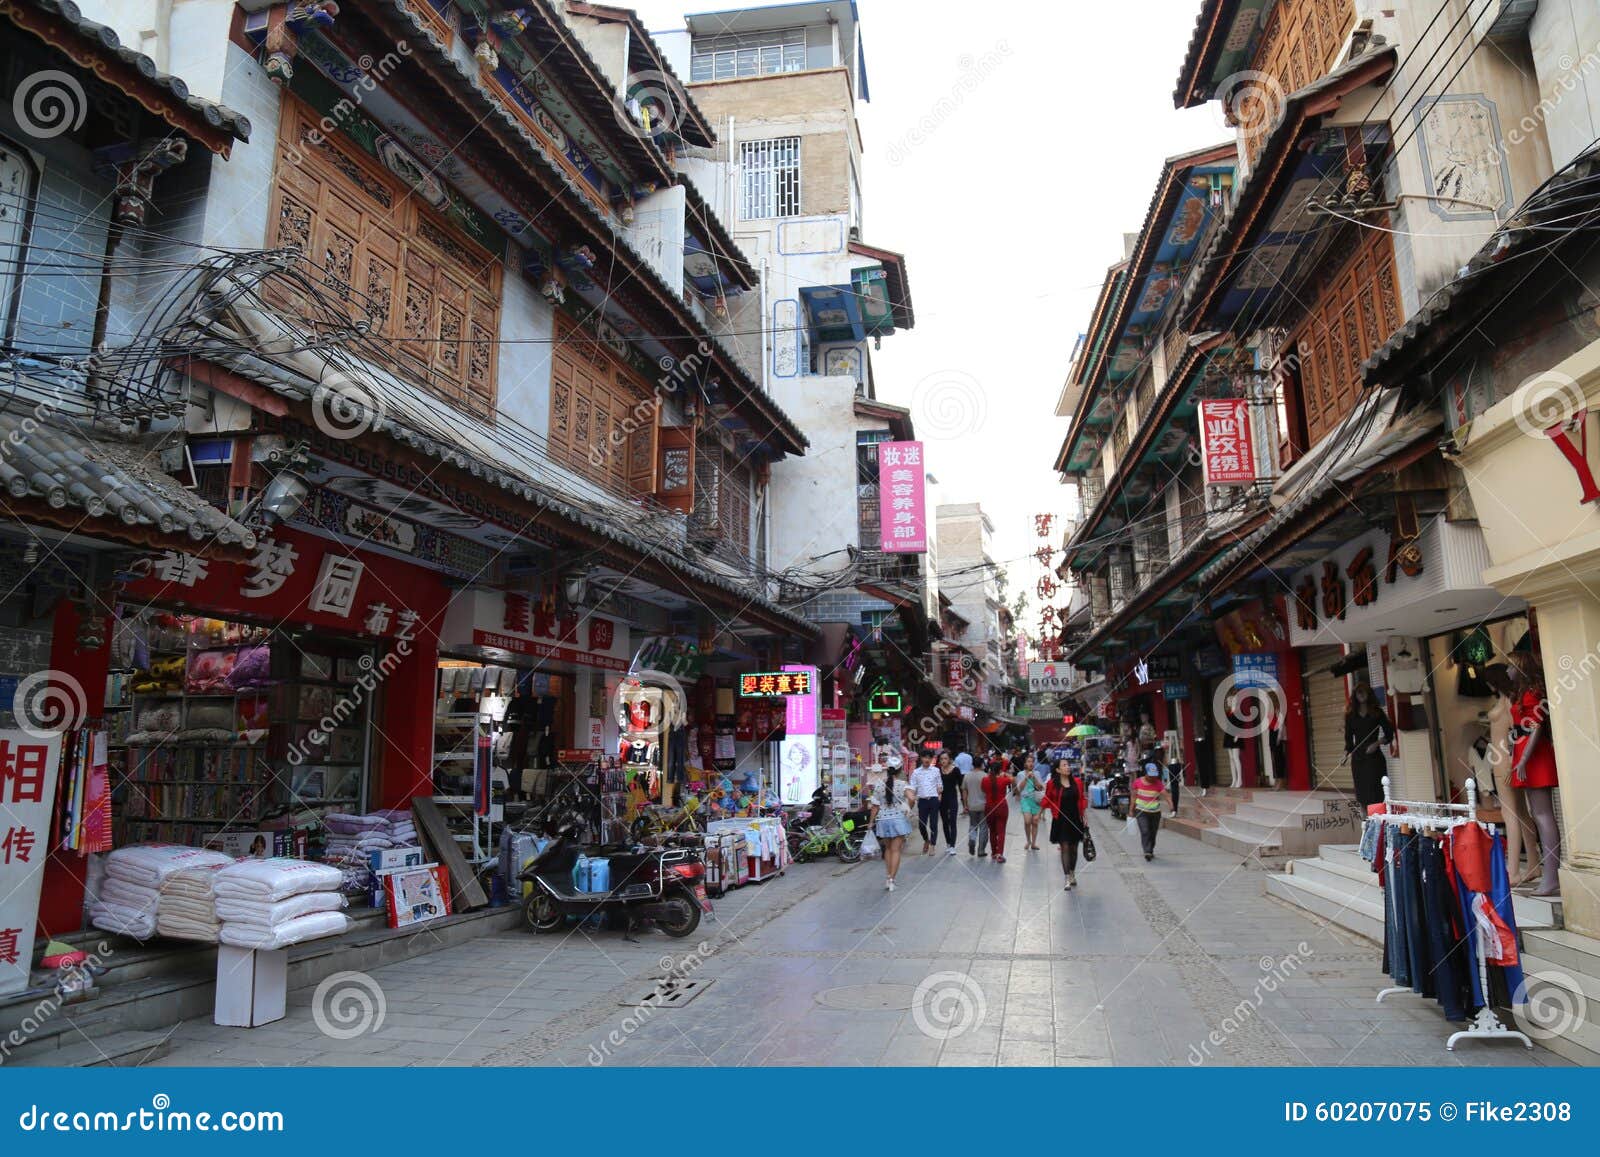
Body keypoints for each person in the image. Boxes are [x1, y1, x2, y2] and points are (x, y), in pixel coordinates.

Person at [1040, 758, 1089, 888]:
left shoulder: (1077, 782)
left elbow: (1082, 799)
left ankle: (1072, 872)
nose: (1068, 767)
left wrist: (1084, 815)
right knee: (1065, 847)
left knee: (1074, 849)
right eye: (1064, 765)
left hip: (1075, 819)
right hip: (1060, 820)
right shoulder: (1052, 784)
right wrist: (1039, 813)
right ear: (1058, 770)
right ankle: (1067, 877)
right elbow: (1047, 798)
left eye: (1068, 764)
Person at [1344, 682, 1394, 809]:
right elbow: (1348, 739)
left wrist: (1376, 744)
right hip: (1358, 758)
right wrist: (1346, 754)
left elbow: (1389, 734)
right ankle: (1365, 819)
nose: (1361, 695)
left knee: (1375, 791)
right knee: (1362, 793)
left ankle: (1378, 818)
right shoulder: (1350, 715)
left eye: (1363, 692)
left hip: (1374, 757)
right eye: (1358, 692)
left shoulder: (1377, 712)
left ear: (1369, 694)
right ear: (1355, 696)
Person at [867, 762, 914, 891]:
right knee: (896, 850)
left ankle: (888, 877)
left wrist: (871, 822)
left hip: (883, 820)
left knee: (887, 849)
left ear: (887, 770)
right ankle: (892, 880)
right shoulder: (903, 784)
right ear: (900, 770)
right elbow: (911, 798)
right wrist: (908, 808)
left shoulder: (879, 785)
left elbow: (875, 806)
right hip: (898, 820)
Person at [1131, 753, 1172, 862]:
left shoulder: (1158, 783)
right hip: (1141, 811)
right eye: (1151, 775)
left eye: (1155, 775)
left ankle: (1150, 849)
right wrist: (1131, 810)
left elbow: (1166, 795)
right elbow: (1133, 796)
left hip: (1155, 812)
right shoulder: (1137, 782)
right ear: (1146, 773)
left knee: (1153, 833)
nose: (1153, 777)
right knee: (1145, 831)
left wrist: (1171, 805)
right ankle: (1147, 851)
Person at [909, 749, 943, 855]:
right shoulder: (916, 772)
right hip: (922, 800)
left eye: (929, 757)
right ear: (921, 758)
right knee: (921, 824)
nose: (927, 760)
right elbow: (912, 787)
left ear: (932, 759)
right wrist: (912, 796)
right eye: (925, 757)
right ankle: (926, 840)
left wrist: (939, 793)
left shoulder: (936, 770)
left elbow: (939, 784)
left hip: (933, 800)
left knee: (933, 824)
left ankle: (932, 845)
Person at [981, 758, 1014, 863]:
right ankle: (1000, 854)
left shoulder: (985, 780)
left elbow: (983, 790)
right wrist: (1005, 774)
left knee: (992, 831)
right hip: (1001, 807)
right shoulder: (1003, 780)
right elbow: (1013, 779)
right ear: (1000, 770)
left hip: (989, 807)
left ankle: (994, 852)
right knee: (1001, 831)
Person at [1014, 751, 1047, 851]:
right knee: (1027, 821)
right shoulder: (1020, 774)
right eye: (1028, 761)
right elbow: (1019, 789)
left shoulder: (1037, 773)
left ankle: (1033, 843)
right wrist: (1026, 778)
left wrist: (1034, 778)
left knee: (1035, 822)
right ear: (1025, 763)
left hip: (1035, 799)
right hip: (1025, 799)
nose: (1031, 763)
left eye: (1032, 761)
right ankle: (1028, 840)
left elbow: (1040, 788)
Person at [961, 753, 988, 856]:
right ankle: (981, 850)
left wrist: (965, 805)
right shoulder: (985, 776)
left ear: (972, 764)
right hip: (984, 805)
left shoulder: (967, 776)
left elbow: (964, 792)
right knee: (983, 828)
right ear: (981, 764)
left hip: (971, 806)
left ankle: (972, 841)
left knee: (973, 826)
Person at [937, 751, 962, 857]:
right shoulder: (937, 771)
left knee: (952, 821)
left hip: (952, 798)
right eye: (941, 759)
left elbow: (961, 785)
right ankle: (948, 843)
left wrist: (964, 801)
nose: (943, 761)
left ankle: (952, 845)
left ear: (950, 759)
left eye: (945, 758)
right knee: (945, 822)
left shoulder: (956, 770)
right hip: (942, 799)